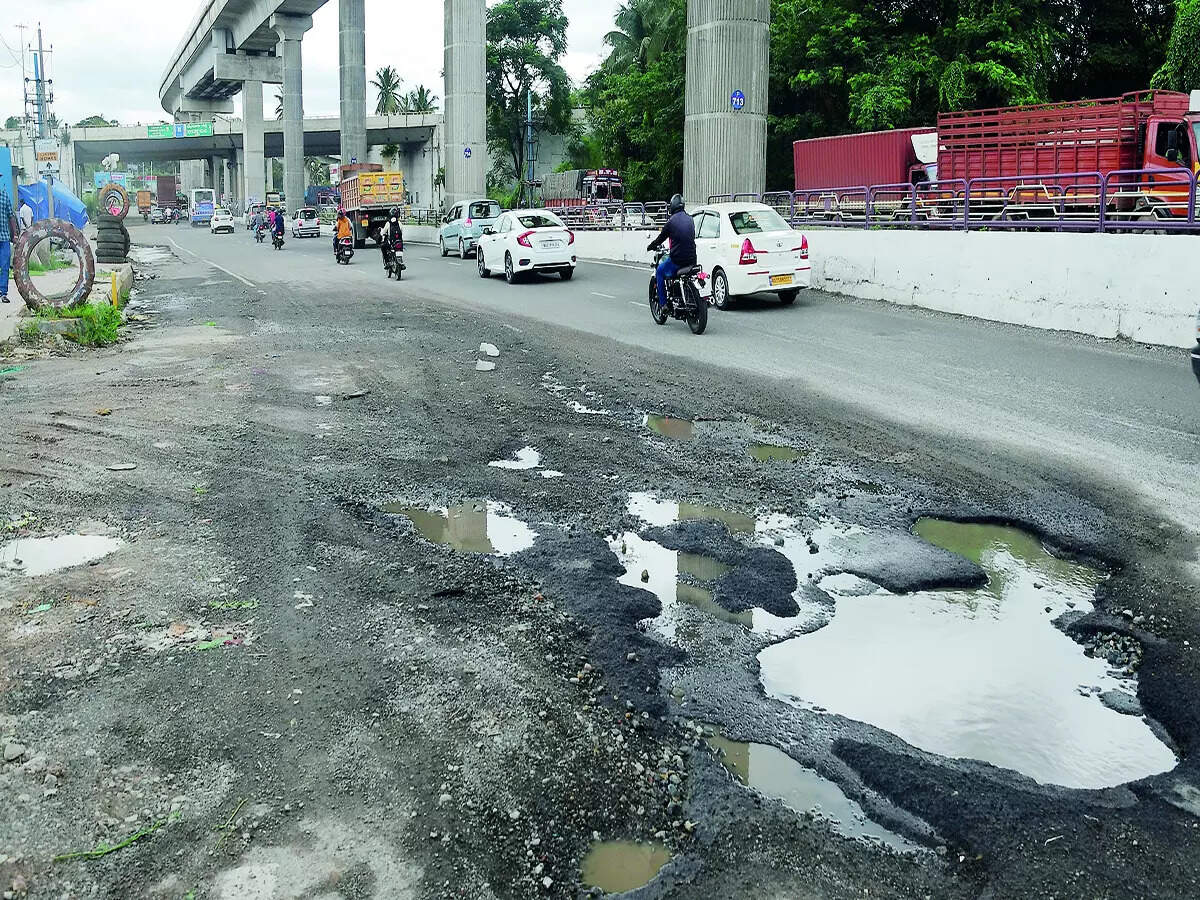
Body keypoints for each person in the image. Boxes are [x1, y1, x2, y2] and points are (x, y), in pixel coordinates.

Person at [646, 193, 696, 310]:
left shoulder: (671, 222)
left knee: (659, 271)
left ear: (672, 206)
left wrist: (651, 246)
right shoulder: (690, 219)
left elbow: (660, 239)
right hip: (692, 260)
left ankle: (663, 305)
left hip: (678, 260)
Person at [0, 183, 20, 304]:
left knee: (5, 265)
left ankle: (3, 293)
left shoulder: (4, 196)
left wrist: (15, 235)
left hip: (4, 237)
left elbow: (11, 216)